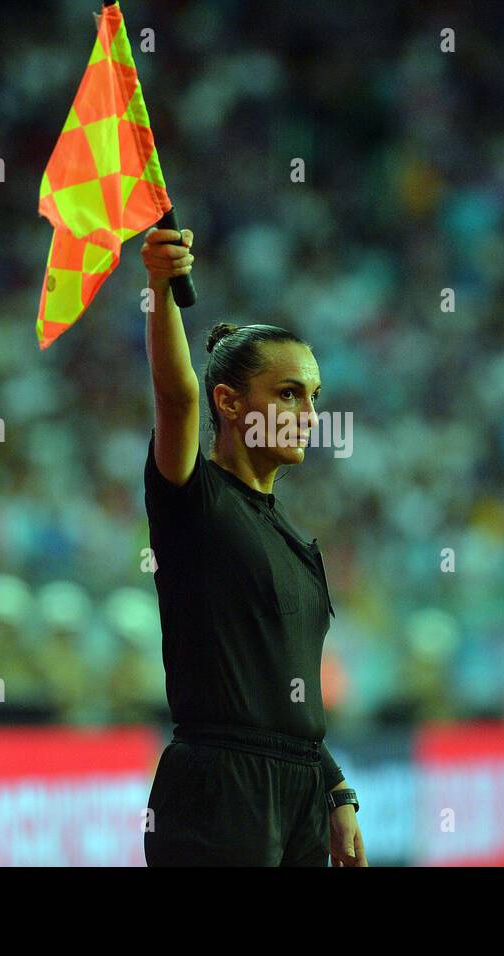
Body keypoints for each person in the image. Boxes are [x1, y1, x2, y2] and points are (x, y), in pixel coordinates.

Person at [139, 226, 367, 866]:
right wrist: (160, 287)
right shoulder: (196, 500)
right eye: (289, 393)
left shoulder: (290, 539)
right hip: (218, 792)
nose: (309, 414)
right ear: (230, 403)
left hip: (299, 795)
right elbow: (175, 397)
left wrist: (333, 788)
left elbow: (285, 694)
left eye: (314, 397)